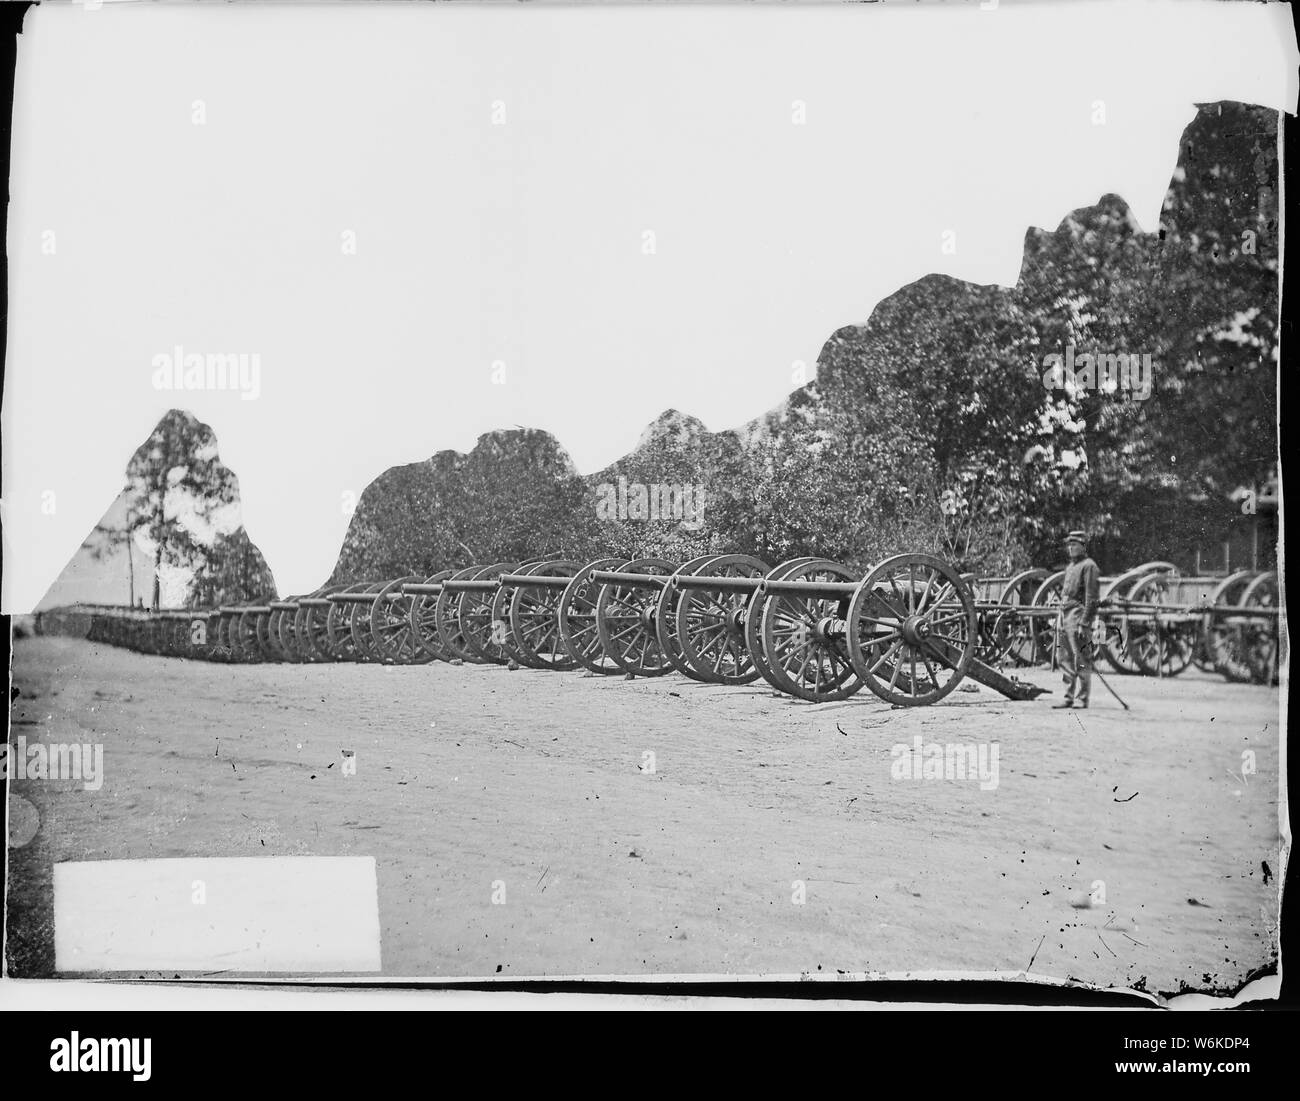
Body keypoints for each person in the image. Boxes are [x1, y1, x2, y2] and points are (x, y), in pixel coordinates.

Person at [1053, 530, 1099, 709]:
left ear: (1083, 546)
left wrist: (1085, 622)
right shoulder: (1071, 567)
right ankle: (1068, 696)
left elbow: (1091, 597)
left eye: (1075, 544)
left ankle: (1082, 697)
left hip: (1078, 615)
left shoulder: (1089, 566)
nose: (1070, 548)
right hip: (1065, 613)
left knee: (1081, 658)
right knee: (1063, 658)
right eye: (1069, 545)